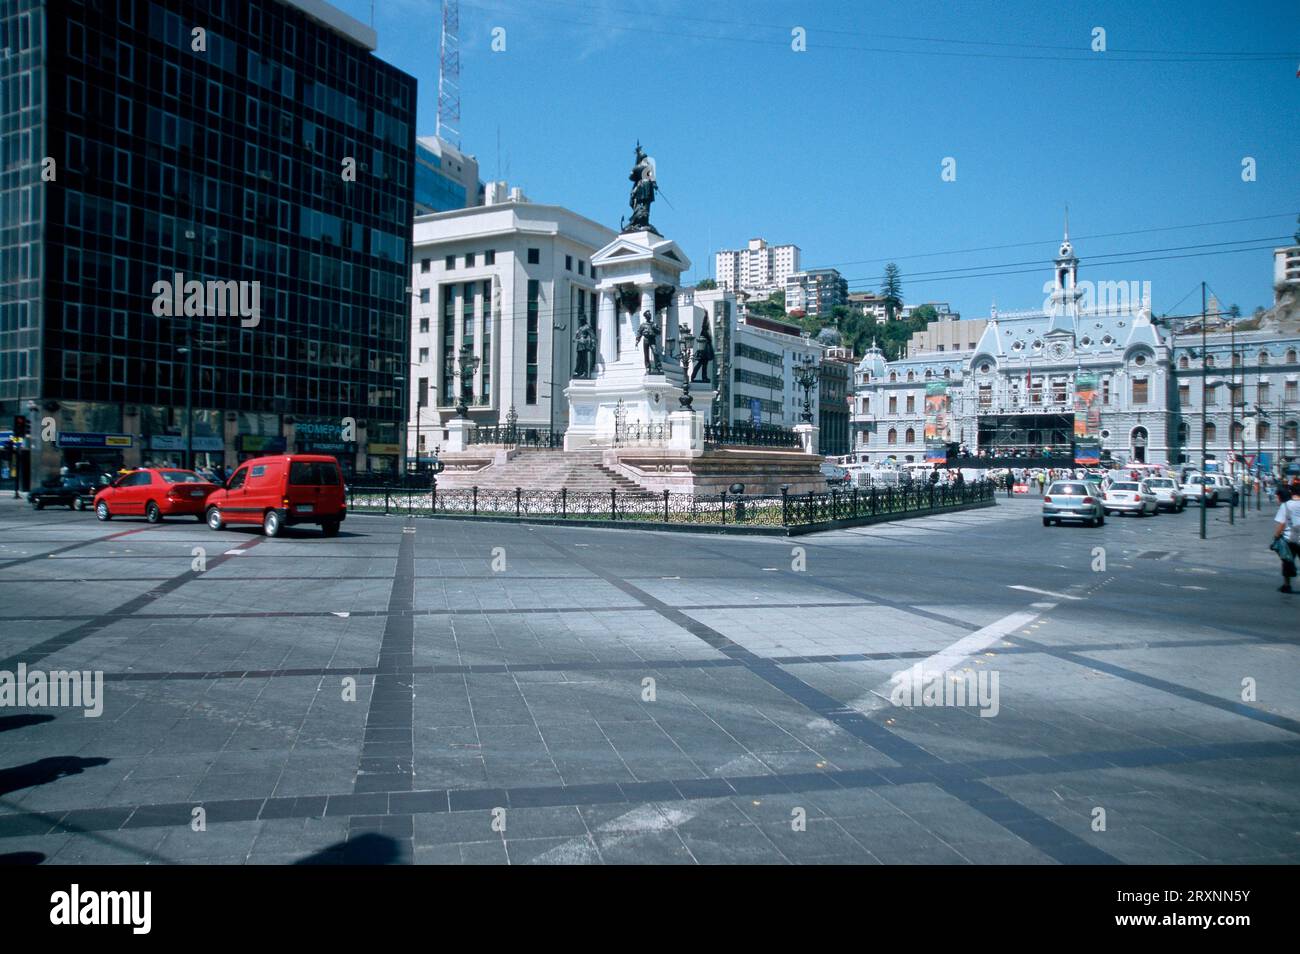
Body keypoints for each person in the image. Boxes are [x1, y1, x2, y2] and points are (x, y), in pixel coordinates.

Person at [1273, 487, 1300, 594]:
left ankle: (1287, 585)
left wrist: (1276, 536)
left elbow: (1282, 524)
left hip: (1290, 539)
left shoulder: (1286, 505)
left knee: (1287, 561)